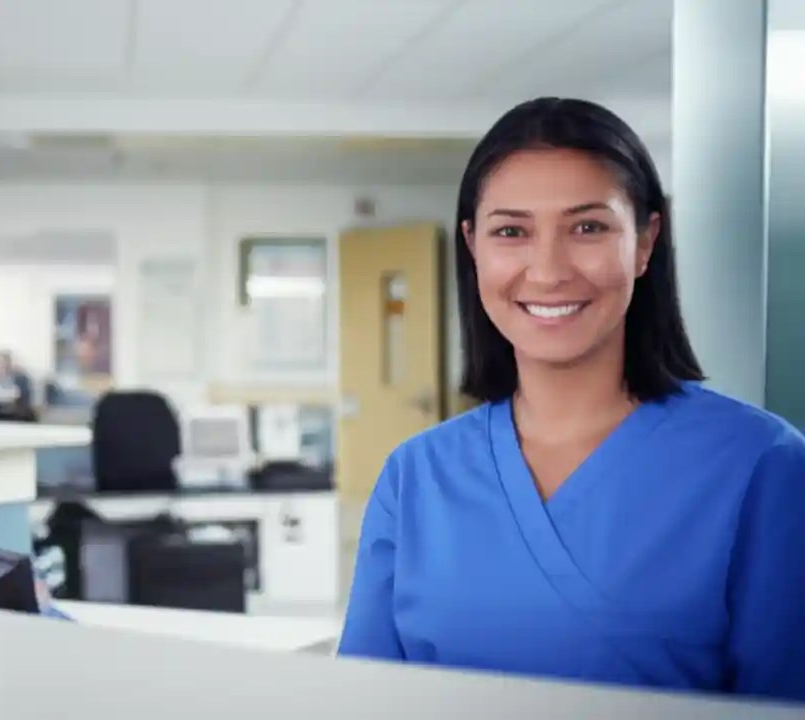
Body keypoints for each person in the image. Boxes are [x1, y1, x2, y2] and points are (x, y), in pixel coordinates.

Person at [337, 97, 805, 700]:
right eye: (512, 231)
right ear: (474, 246)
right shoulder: (416, 475)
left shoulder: (760, 464)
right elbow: (361, 703)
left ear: (644, 241)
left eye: (588, 227)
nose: (549, 270)